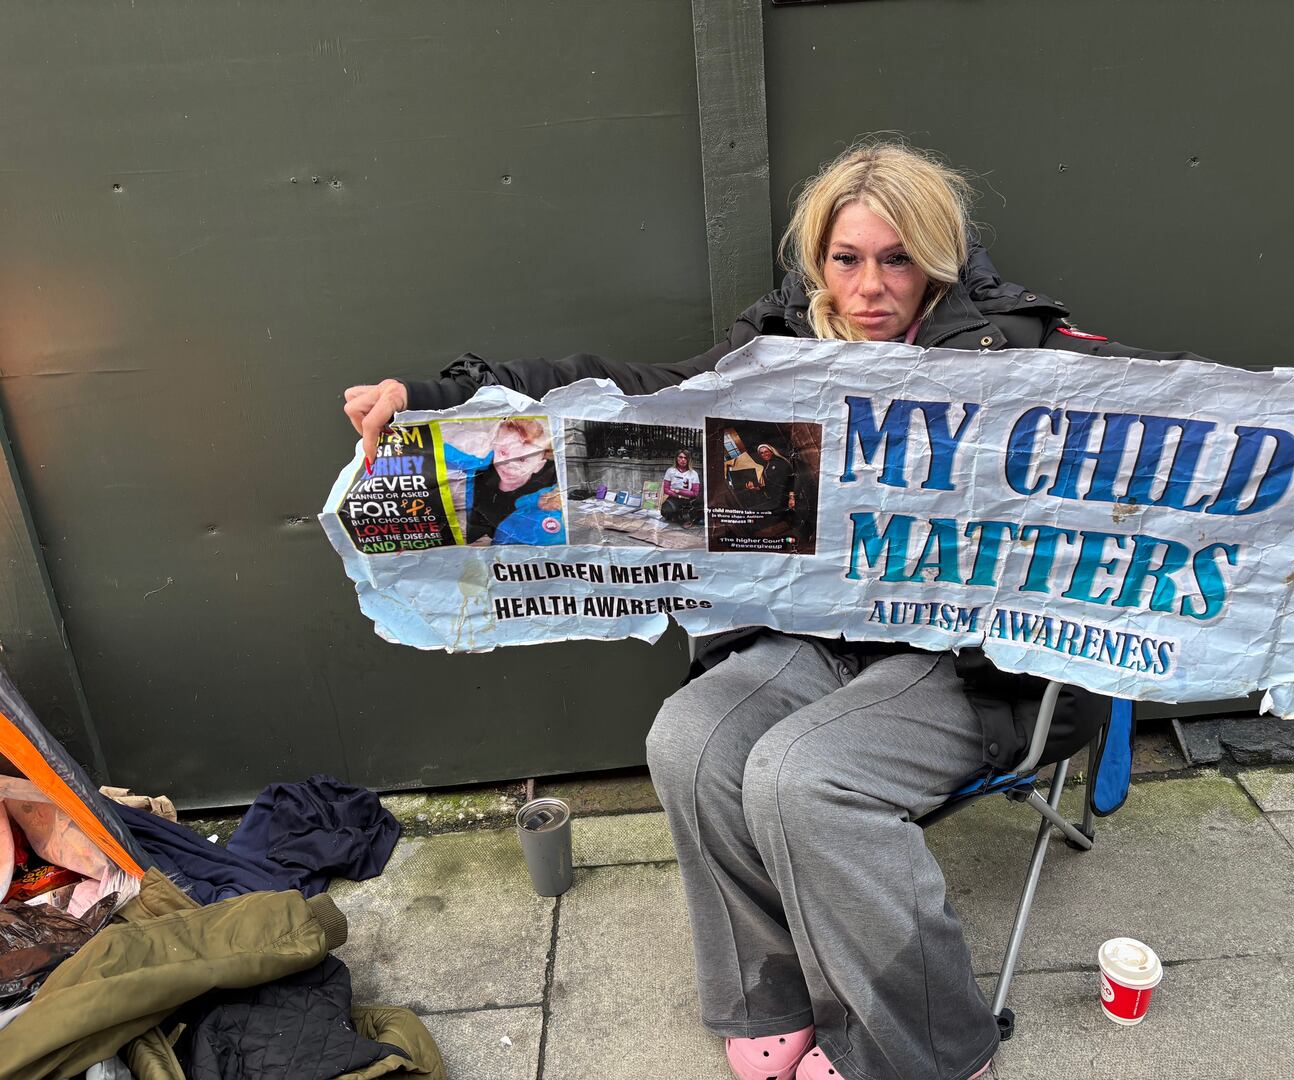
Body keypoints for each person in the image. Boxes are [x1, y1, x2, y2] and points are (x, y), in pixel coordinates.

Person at [342, 141, 1208, 1080]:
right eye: (847, 259)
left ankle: (934, 1048)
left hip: (973, 672)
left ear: (939, 260)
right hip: (810, 635)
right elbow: (634, 395)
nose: (871, 286)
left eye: (897, 258)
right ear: (817, 262)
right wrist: (440, 399)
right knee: (692, 740)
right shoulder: (782, 347)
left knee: (801, 776)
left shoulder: (1022, 353)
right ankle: (771, 994)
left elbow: (1177, 416)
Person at [442, 418, 565, 546]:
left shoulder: (543, 487)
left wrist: (554, 498)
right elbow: (448, 453)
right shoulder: (482, 468)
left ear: (538, 466)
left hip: (512, 537)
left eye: (522, 460)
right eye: (503, 453)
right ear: (494, 449)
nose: (509, 464)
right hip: (478, 529)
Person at [660, 449, 702, 526]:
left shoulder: (693, 473)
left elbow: (695, 493)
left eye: (685, 458)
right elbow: (666, 489)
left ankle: (679, 516)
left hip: (688, 500)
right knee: (664, 511)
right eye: (680, 457)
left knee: (687, 516)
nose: (683, 460)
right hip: (674, 498)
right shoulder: (670, 471)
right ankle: (676, 515)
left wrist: (679, 491)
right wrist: (677, 495)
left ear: (689, 460)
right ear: (676, 458)